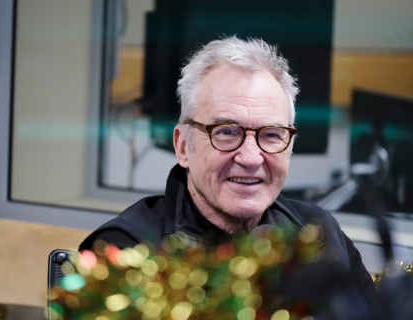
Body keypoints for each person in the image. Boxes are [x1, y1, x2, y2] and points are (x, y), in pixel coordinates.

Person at [79, 36, 378, 312]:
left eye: (272, 135)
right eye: (226, 132)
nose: (250, 158)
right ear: (183, 147)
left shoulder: (320, 234)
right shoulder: (126, 251)